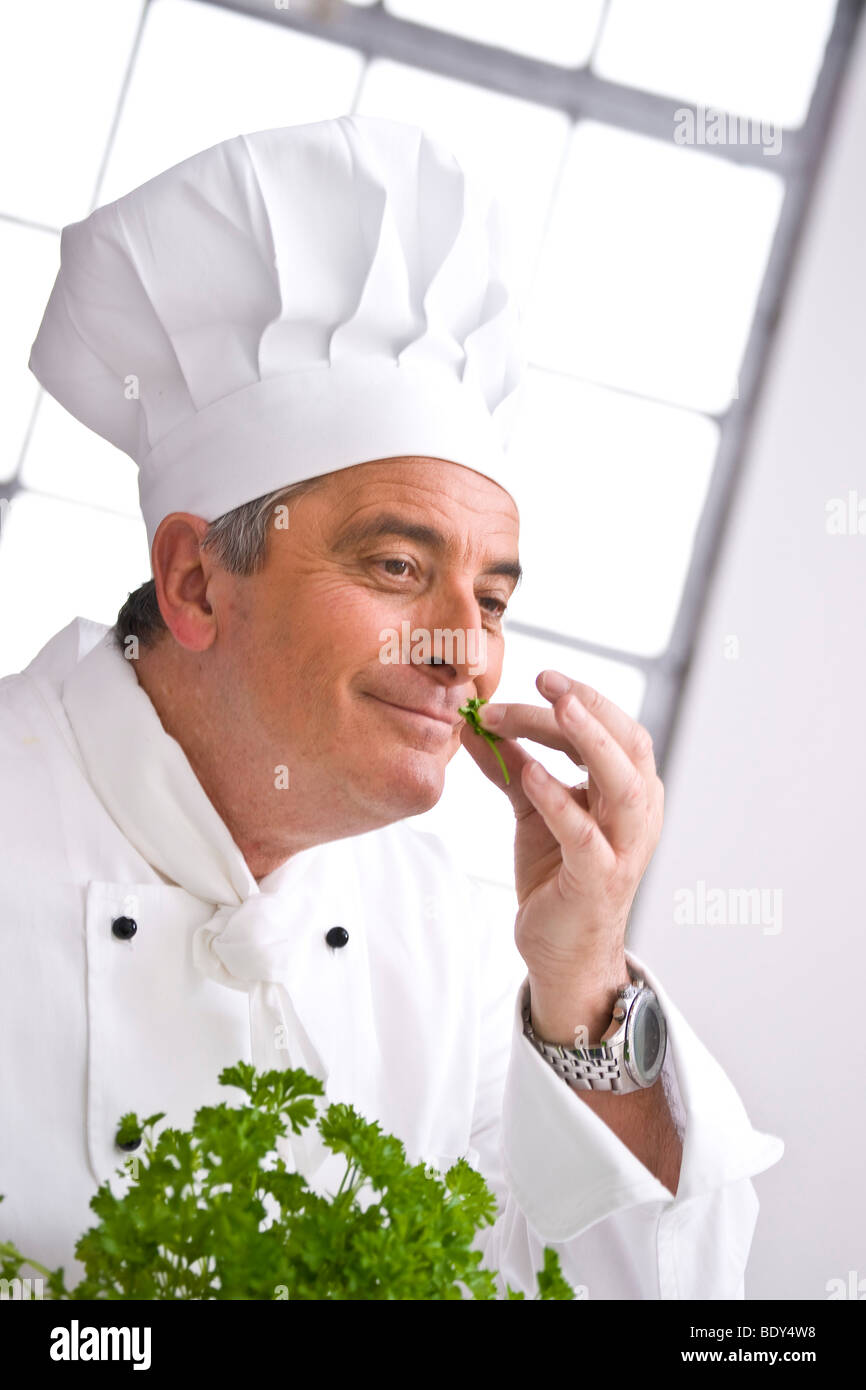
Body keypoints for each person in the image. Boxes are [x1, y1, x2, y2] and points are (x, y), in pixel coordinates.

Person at [0, 114, 782, 1298]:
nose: (465, 651)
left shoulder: (454, 951)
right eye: (397, 568)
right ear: (197, 580)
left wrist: (583, 981)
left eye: (493, 595)